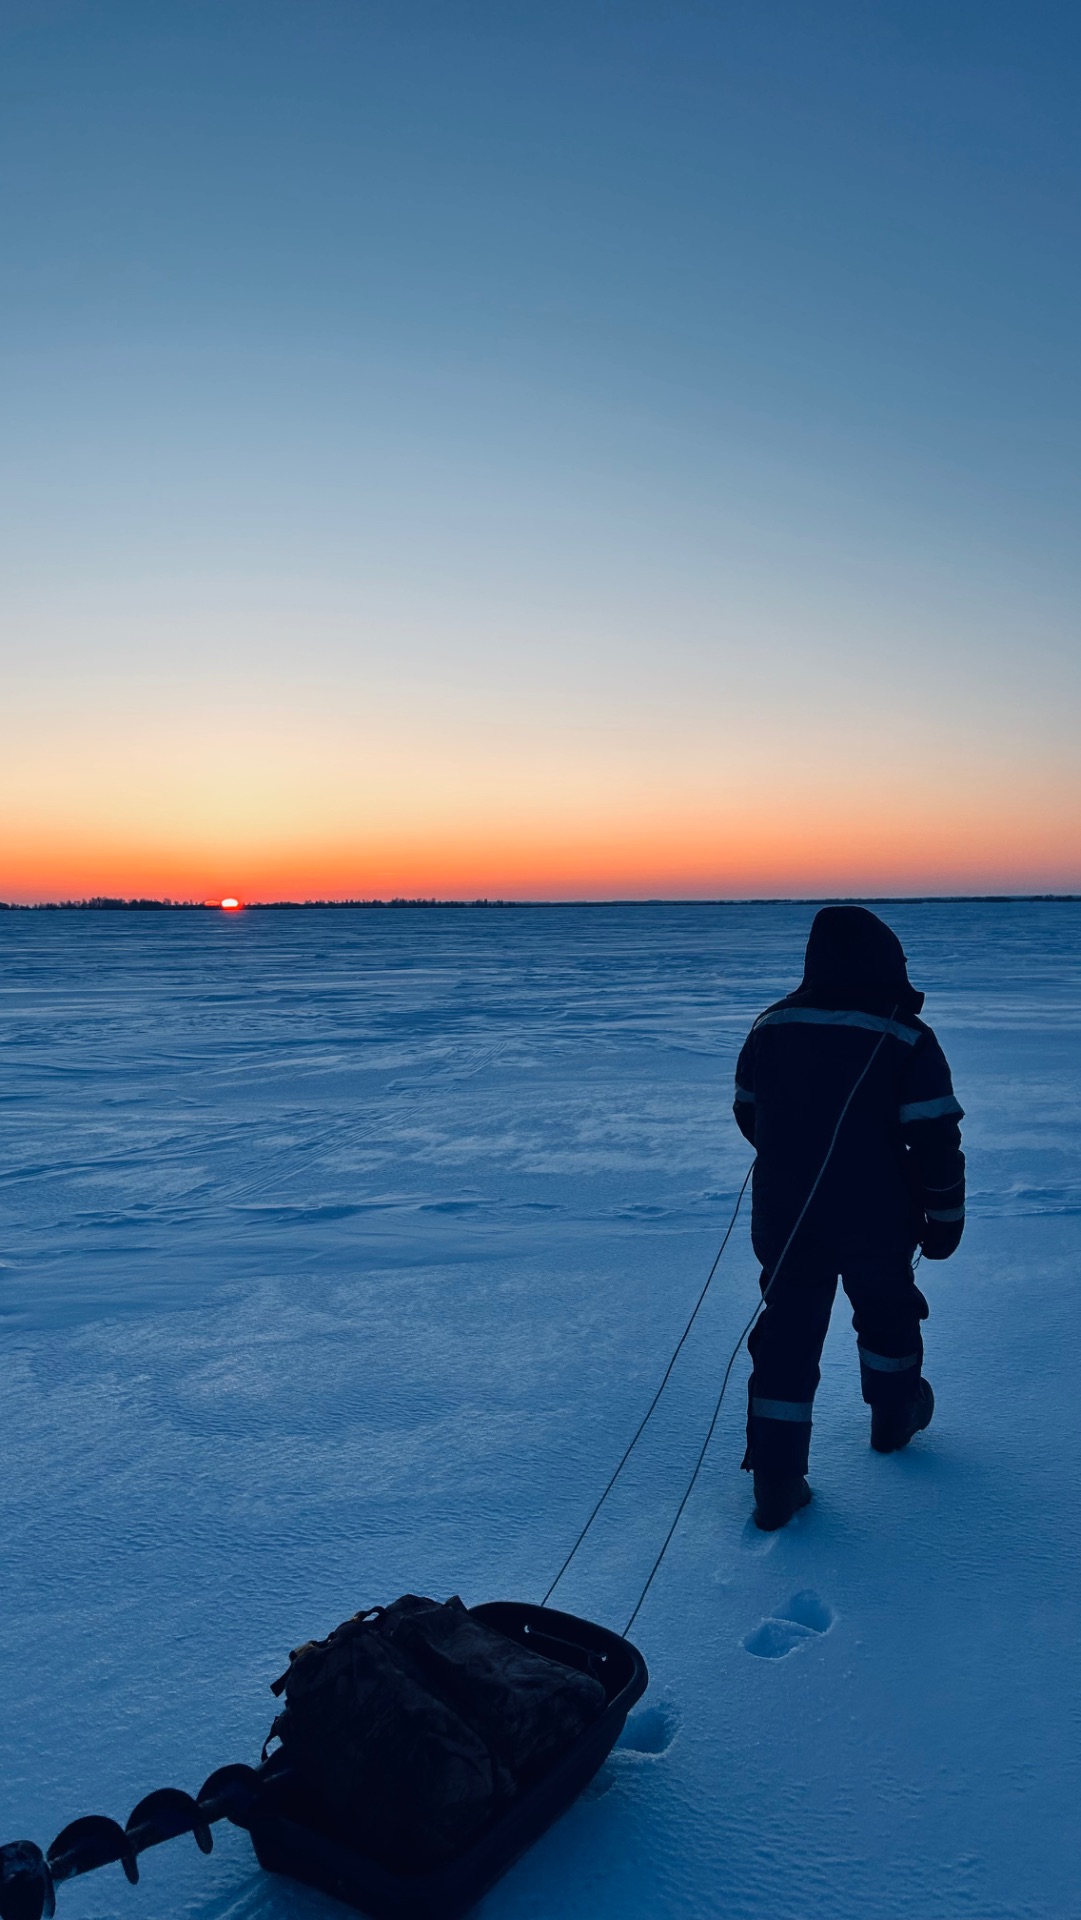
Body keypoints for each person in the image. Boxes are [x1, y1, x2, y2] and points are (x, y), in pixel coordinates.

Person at [733, 906, 965, 1531]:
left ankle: (777, 1480)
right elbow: (935, 1135)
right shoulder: (906, 1034)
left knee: (787, 1332)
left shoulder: (772, 1024)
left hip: (788, 1216)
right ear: (883, 960)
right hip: (878, 1217)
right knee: (887, 1311)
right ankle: (894, 1419)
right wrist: (944, 1214)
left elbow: (749, 1112)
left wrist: (794, 1157)